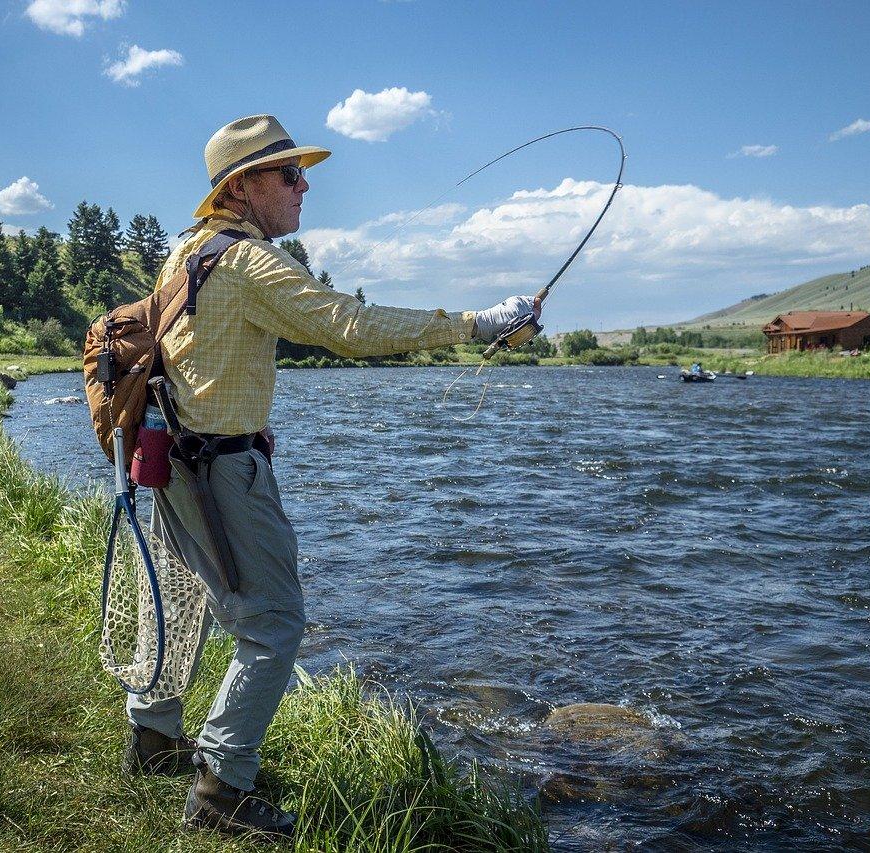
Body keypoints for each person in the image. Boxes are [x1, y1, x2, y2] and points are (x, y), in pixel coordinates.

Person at [124, 114, 541, 839]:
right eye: (288, 173)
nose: (304, 183)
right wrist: (478, 324)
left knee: (184, 593)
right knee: (275, 625)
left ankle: (154, 737)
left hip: (170, 460)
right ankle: (221, 788)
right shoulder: (252, 263)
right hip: (222, 470)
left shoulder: (186, 253)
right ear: (243, 186)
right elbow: (351, 326)